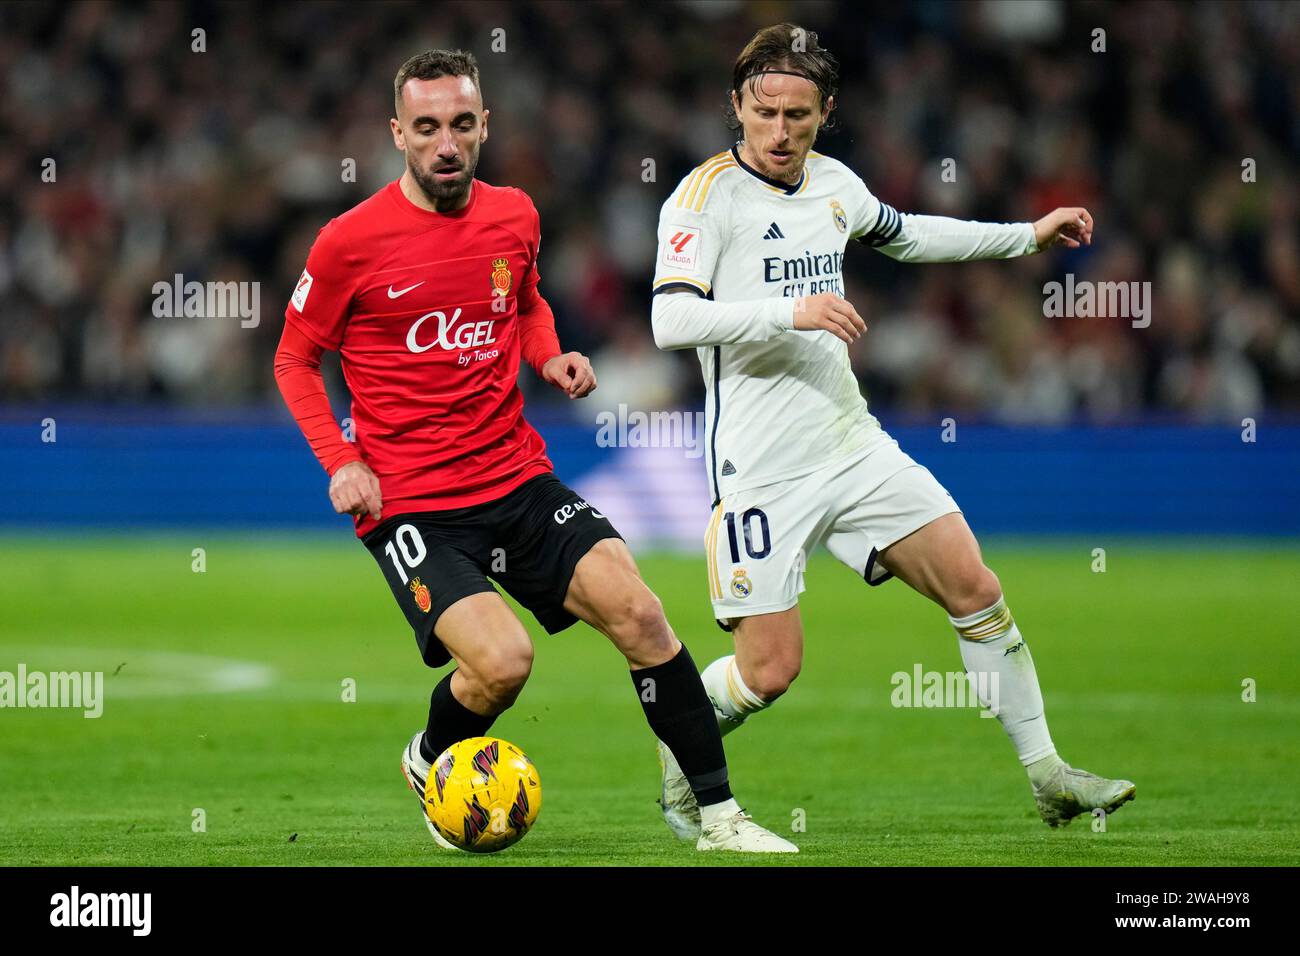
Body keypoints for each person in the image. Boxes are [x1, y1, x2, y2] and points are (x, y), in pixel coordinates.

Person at [274, 49, 794, 853]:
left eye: (459, 125)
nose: (445, 144)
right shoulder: (350, 242)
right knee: (504, 664)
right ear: (397, 134)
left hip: (517, 477)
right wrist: (341, 463)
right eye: (426, 128)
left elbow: (521, 303)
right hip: (411, 502)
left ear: (483, 125)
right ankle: (431, 754)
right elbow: (294, 358)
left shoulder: (513, 214)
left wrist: (548, 354)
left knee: (642, 613)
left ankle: (717, 817)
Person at [650, 23, 1135, 841]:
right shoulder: (704, 200)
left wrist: (1027, 235)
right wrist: (790, 310)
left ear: (824, 113)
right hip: (761, 469)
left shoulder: (835, 183)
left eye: (798, 115)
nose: (779, 132)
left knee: (975, 587)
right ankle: (683, 753)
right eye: (764, 113)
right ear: (737, 106)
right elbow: (669, 319)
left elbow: (906, 233)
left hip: (850, 440)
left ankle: (1049, 774)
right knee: (772, 671)